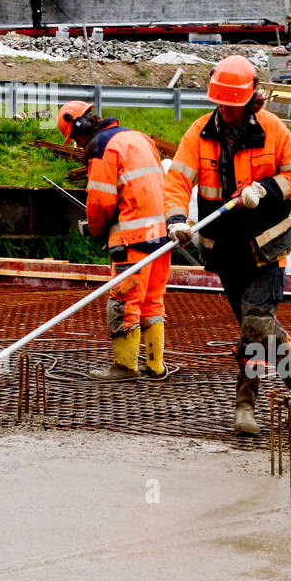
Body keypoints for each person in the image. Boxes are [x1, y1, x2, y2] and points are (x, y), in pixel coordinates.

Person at [163, 55, 291, 436]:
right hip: (226, 251)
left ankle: (245, 405)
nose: (227, 111)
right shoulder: (198, 134)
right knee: (259, 329)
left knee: (255, 324)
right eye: (222, 103)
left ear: (250, 99)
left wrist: (267, 189)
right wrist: (177, 220)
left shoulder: (272, 129)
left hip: (267, 247)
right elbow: (177, 182)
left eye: (234, 104)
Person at [58, 100, 170, 381]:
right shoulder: (138, 137)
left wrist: (95, 229)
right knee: (152, 300)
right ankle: (155, 366)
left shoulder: (102, 146)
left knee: (125, 299)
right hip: (161, 234)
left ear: (81, 126)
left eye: (77, 139)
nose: (80, 145)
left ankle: (124, 366)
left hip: (131, 236)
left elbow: (100, 201)